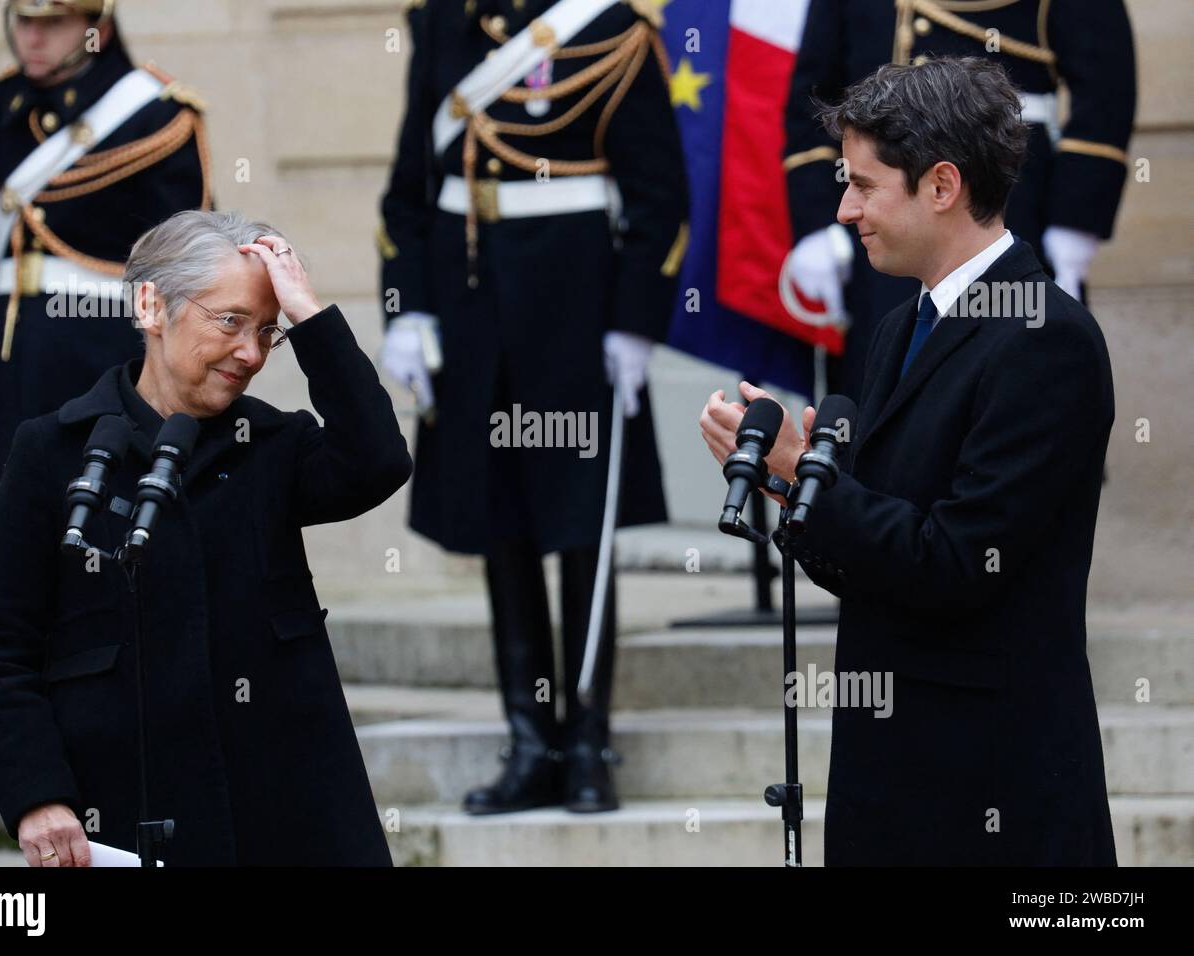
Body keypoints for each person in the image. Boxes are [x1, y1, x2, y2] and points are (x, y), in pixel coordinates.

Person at [701, 58, 1116, 865]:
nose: (846, 208)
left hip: (992, 791)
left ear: (941, 186)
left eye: (864, 184)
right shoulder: (898, 327)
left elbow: (958, 564)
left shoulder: (1046, 339)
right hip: (887, 780)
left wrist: (802, 477)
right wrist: (801, 483)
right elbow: (873, 564)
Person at [0, 210, 413, 866]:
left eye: (267, 332)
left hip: (287, 812)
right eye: (230, 321)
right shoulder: (53, 452)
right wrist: (37, 795)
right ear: (151, 304)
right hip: (123, 807)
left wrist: (309, 316)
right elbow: (0, 651)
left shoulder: (273, 445)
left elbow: (377, 460)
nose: (251, 354)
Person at [377, 0, 688, 813]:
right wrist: (405, 306)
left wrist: (634, 323)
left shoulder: (611, 29)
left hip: (575, 305)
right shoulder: (445, 22)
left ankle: (587, 741)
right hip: (470, 299)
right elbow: (409, 187)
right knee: (498, 521)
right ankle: (531, 741)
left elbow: (661, 197)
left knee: (583, 524)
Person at [0, 0, 213, 633]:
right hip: (7, 365)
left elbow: (188, 269)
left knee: (111, 561)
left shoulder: (155, 114)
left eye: (54, 22)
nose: (33, 38)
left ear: (94, 25)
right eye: (23, 21)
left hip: (110, 362)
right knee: (12, 573)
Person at [783, 0, 1135, 401]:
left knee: (1011, 379)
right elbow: (813, 95)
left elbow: (1106, 85)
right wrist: (815, 223)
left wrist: (1074, 220)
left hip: (1007, 199)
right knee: (872, 389)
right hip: (877, 225)